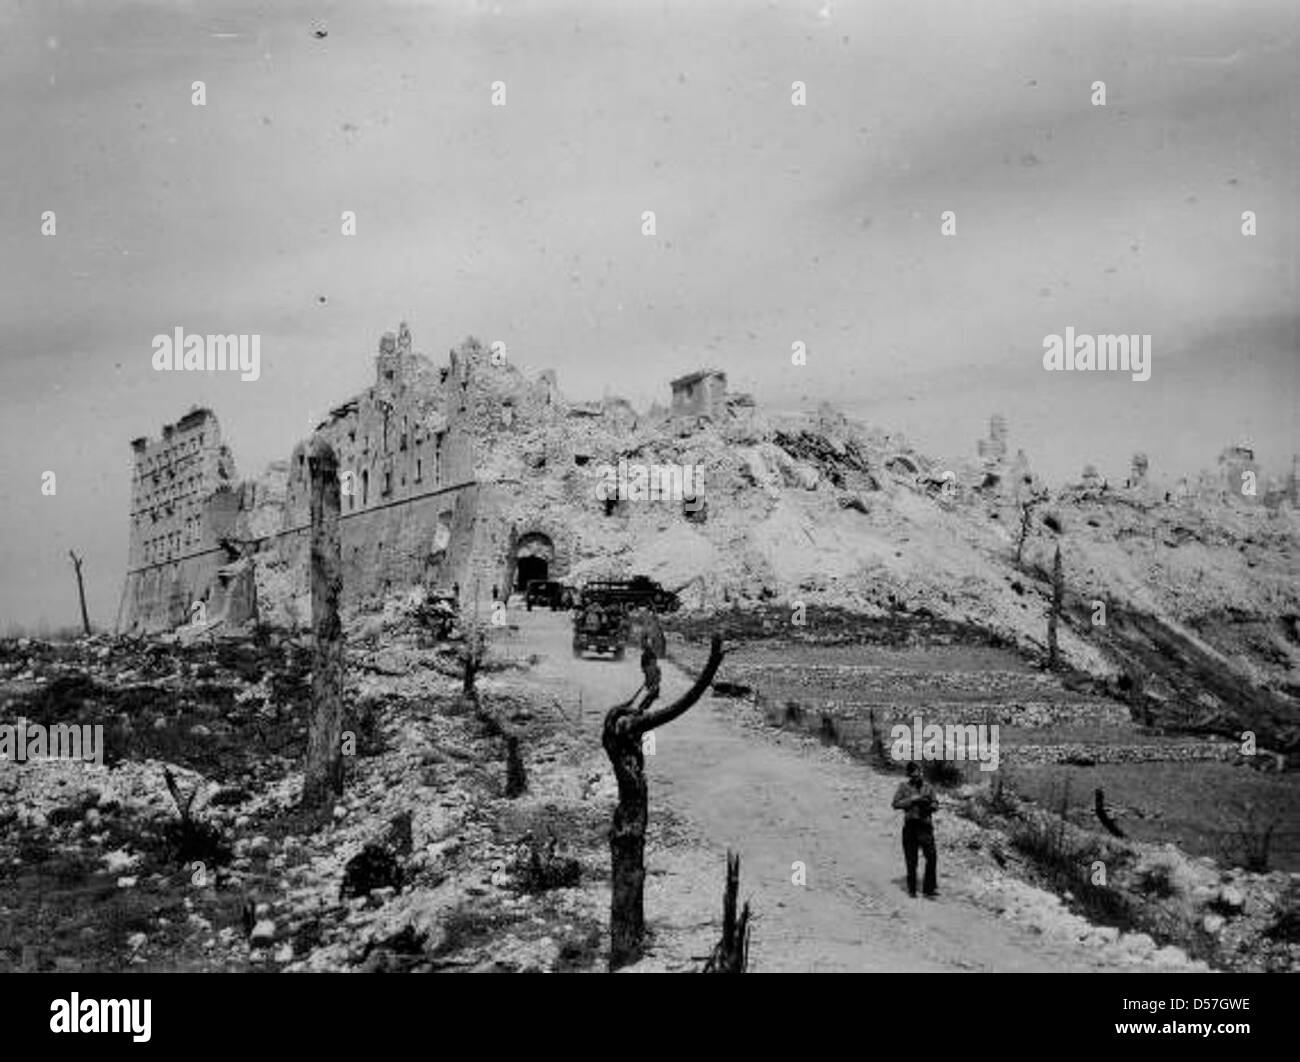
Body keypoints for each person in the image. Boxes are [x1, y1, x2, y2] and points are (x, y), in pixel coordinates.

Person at [891, 762, 938, 898]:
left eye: (919, 772)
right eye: (914, 773)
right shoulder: (904, 787)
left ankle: (929, 889)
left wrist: (931, 806)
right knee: (911, 859)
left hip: (925, 826)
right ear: (910, 774)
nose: (918, 775)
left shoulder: (928, 787)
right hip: (910, 826)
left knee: (932, 857)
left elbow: (935, 802)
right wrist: (911, 800)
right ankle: (912, 889)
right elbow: (895, 804)